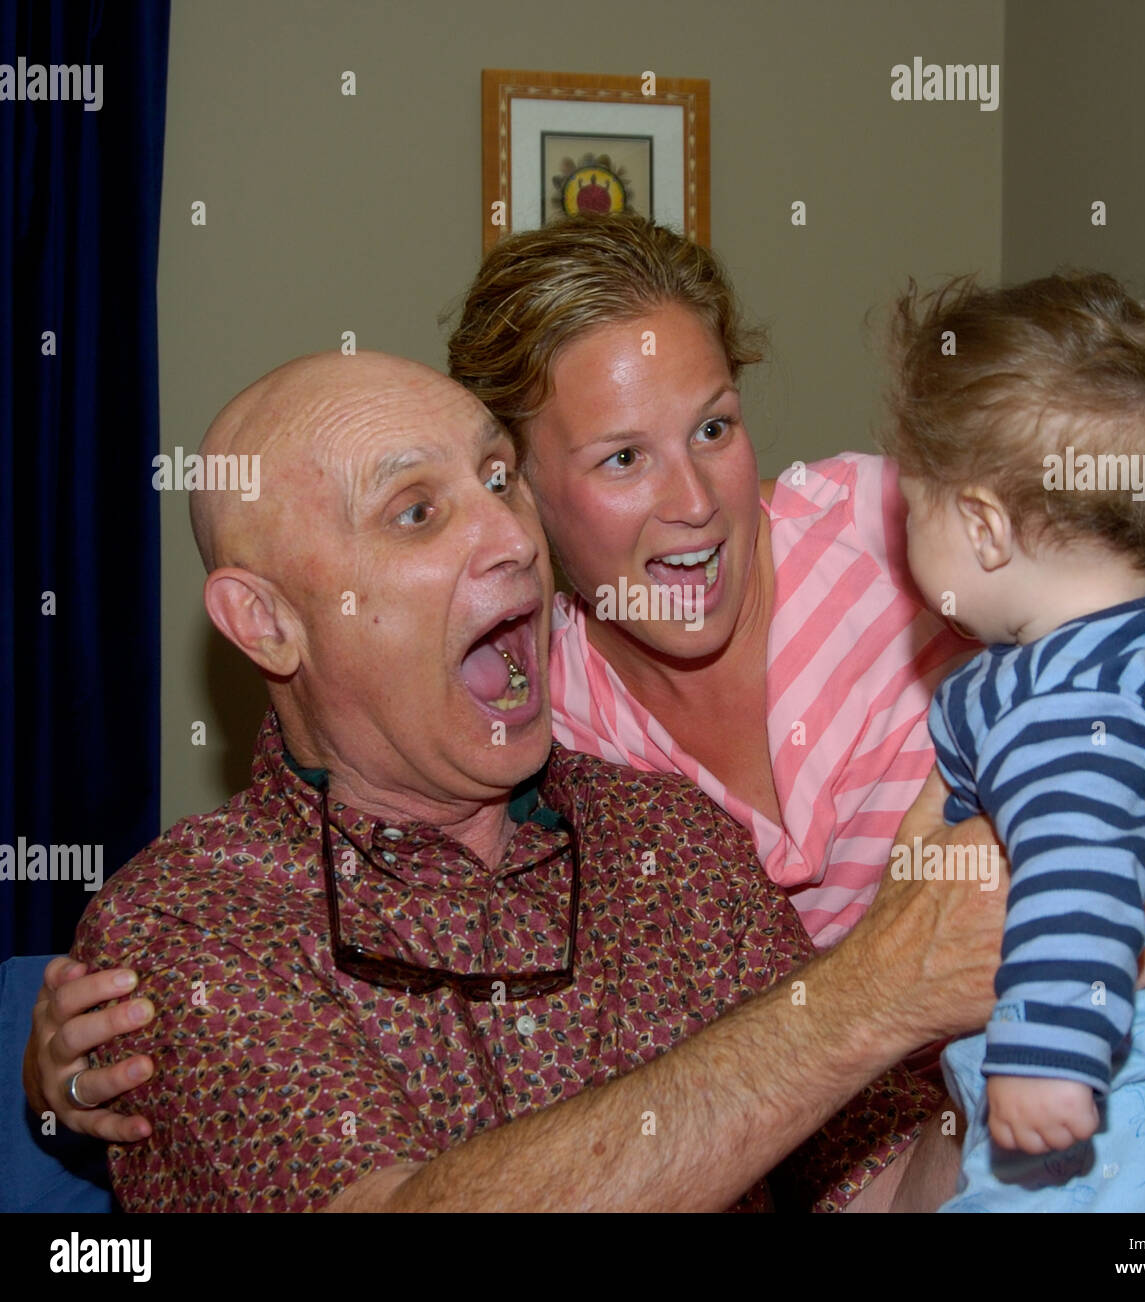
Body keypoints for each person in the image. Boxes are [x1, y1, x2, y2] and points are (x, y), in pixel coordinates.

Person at [28, 217, 1145, 1190]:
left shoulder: (692, 815)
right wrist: (881, 993)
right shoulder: (212, 918)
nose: (692, 502)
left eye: (716, 428)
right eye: (423, 510)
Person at [32, 349, 1029, 1212]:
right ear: (264, 621)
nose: (514, 539)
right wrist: (874, 992)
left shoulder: (671, 838)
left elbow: (888, 1185)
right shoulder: (189, 929)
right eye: (416, 511)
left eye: (500, 479)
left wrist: (1012, 1029)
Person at [882, 271, 1145, 1211]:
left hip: (1125, 1093)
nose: (900, 530)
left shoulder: (1053, 704)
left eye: (913, 507)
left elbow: (1080, 877)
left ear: (984, 529)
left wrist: (1046, 1062)